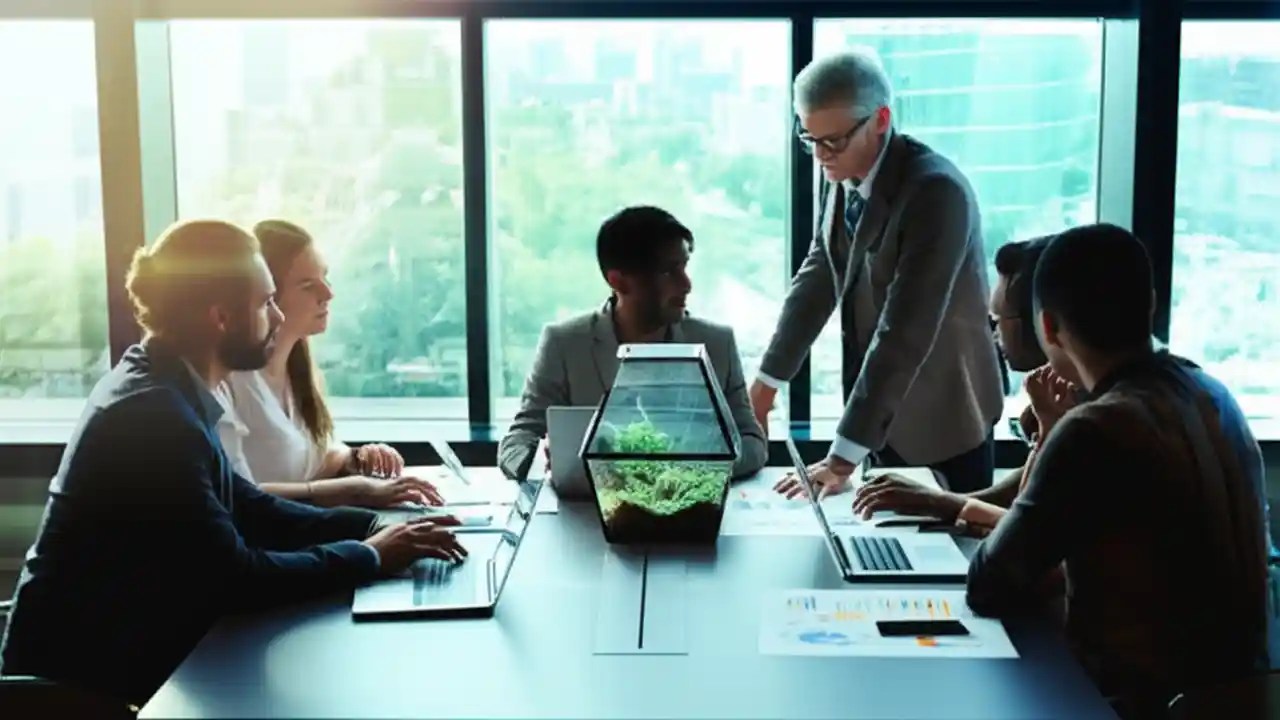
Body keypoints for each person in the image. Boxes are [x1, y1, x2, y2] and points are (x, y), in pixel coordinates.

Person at [0, 220, 466, 707]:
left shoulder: (166, 385)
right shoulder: (154, 416)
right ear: (221, 317)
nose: (278, 315)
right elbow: (235, 578)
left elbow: (250, 507)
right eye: (267, 302)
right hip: (78, 692)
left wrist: (373, 524)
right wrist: (371, 555)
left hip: (128, 658)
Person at [966, 223, 1271, 716]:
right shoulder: (1214, 396)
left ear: (1048, 327)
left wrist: (1049, 432)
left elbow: (991, 584)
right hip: (1246, 702)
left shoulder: (1097, 428)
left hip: (1130, 705)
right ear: (1149, 304)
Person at [759, 49, 1003, 499]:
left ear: (881, 120)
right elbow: (821, 273)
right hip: (875, 415)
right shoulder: (838, 167)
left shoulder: (935, 193)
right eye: (809, 138)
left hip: (942, 417)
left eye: (832, 141)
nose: (819, 155)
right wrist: (766, 385)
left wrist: (840, 458)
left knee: (946, 560)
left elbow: (904, 330)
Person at [498, 205, 767, 481]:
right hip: (586, 513)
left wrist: (691, 467)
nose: (686, 284)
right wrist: (535, 462)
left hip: (692, 508)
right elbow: (519, 438)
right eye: (667, 272)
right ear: (617, 280)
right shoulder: (565, 344)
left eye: (684, 267)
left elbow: (753, 443)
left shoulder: (715, 343)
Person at [213, 220, 443, 509]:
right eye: (308, 285)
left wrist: (354, 459)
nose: (328, 294)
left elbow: (309, 460)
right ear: (268, 294)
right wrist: (354, 490)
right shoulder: (228, 381)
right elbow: (237, 495)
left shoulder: (298, 372)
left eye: (325, 278)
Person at [850, 236, 1063, 532]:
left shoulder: (1088, 417)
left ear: (1044, 325)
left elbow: (1025, 533)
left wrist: (1048, 435)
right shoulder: (1066, 396)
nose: (994, 335)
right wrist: (939, 501)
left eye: (997, 321)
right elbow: (1025, 497)